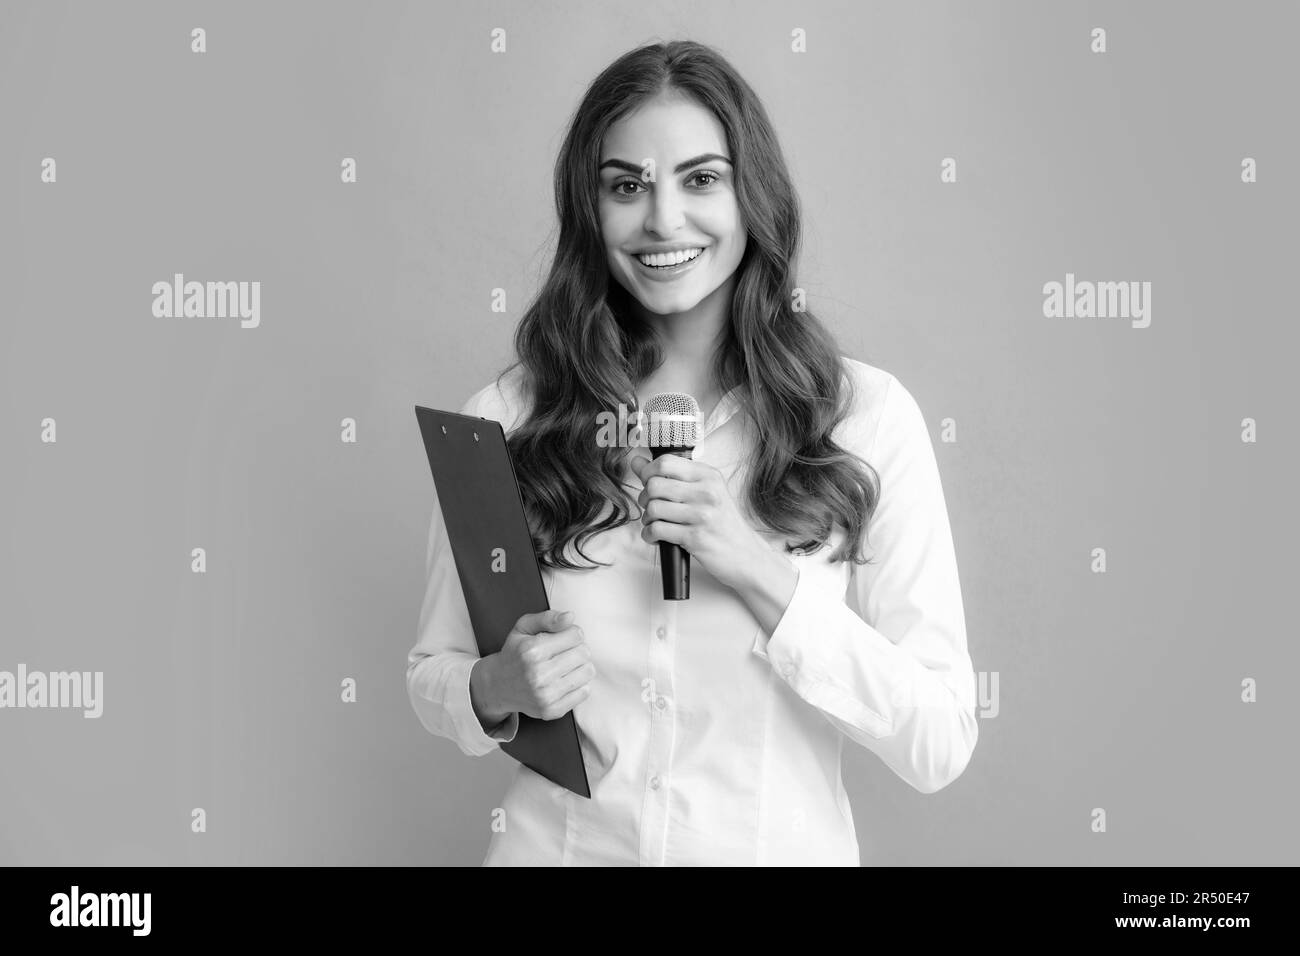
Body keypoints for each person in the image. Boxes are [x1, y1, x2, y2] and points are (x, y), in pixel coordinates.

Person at [407, 39, 978, 866]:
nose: (663, 220)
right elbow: (436, 670)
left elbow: (940, 738)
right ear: (589, 207)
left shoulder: (864, 419)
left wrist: (758, 570)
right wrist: (498, 688)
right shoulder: (509, 418)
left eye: (701, 179)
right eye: (626, 186)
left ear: (754, 196)